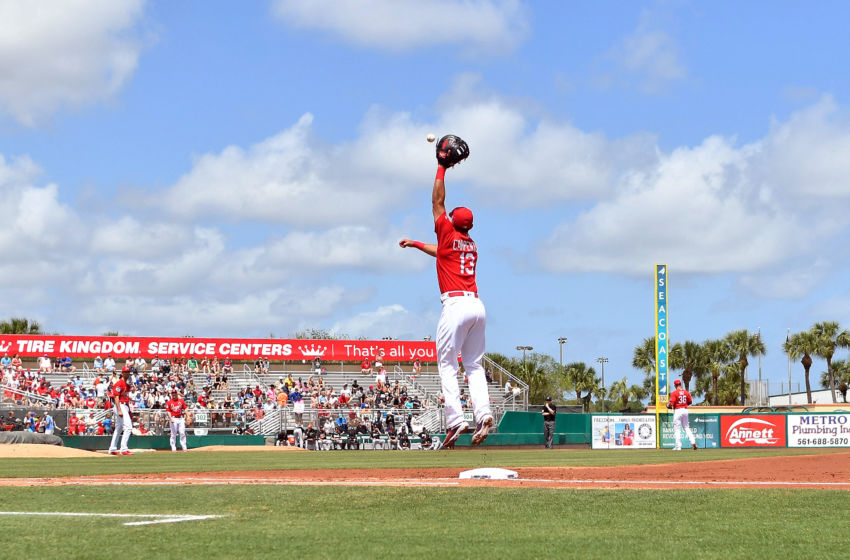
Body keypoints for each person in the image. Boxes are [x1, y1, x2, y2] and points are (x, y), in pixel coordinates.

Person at [399, 135, 493, 448]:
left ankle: (455, 420)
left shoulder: (448, 231)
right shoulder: (470, 244)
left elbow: (436, 202)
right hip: (477, 306)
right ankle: (484, 414)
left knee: (448, 365)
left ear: (453, 221)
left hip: (455, 306)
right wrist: (416, 244)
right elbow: (440, 252)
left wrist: (441, 166)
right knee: (474, 365)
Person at [108, 366, 133, 455]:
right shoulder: (119, 383)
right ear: (122, 373)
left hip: (124, 405)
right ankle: (123, 449)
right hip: (120, 405)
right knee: (128, 427)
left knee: (118, 428)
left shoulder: (127, 384)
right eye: (125, 372)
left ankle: (112, 449)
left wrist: (128, 410)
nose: (127, 373)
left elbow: (126, 397)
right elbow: (116, 397)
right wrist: (119, 410)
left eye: (128, 372)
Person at [668, 378, 697, 450]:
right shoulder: (686, 392)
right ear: (680, 384)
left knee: (677, 429)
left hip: (678, 410)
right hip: (685, 410)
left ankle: (678, 446)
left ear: (675, 385)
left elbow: (671, 403)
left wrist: (668, 405)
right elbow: (690, 402)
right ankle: (693, 442)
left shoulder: (674, 393)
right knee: (686, 427)